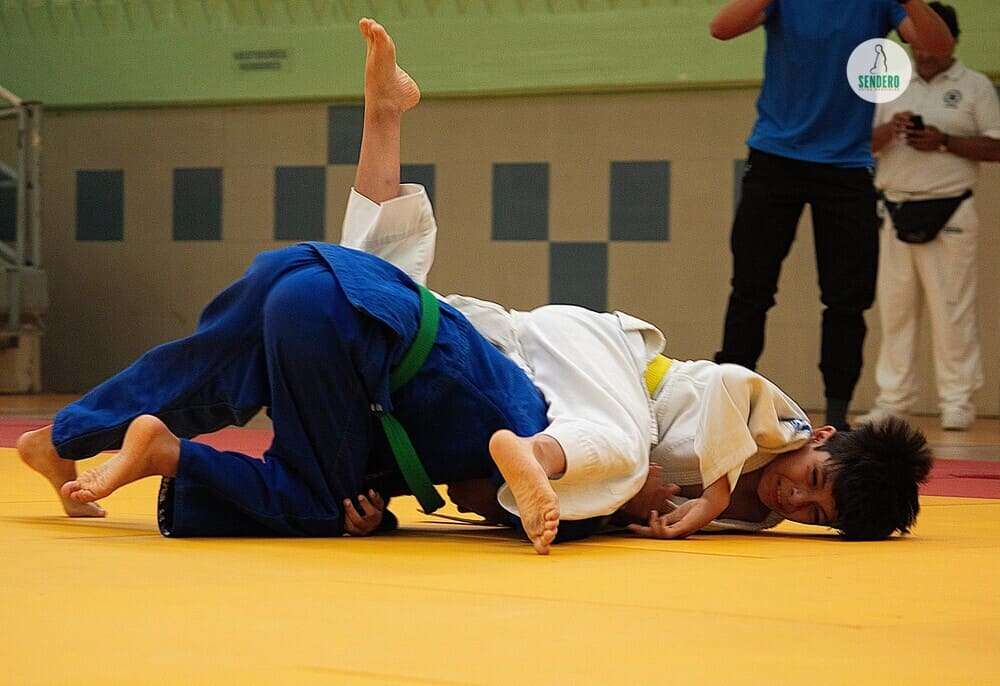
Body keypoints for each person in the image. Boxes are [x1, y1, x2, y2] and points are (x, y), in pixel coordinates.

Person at [17, 20, 932, 555]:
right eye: (814, 481)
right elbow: (731, 391)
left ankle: (77, 436)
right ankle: (530, 461)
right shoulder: (769, 425)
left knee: (337, 296)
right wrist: (692, 498)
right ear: (827, 439)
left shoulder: (754, 519)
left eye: (814, 514)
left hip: (502, 367)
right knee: (613, 445)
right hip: (601, 369)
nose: (794, 500)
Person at [710, 0, 955, 431]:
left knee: (847, 301)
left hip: (846, 167)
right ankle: (728, 405)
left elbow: (938, 45)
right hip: (774, 158)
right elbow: (721, 29)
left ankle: (837, 420)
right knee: (751, 289)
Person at [859, 2, 1000, 431]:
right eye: (914, 46)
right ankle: (893, 400)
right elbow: (859, 143)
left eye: (931, 45)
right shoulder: (887, 84)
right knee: (896, 312)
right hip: (895, 206)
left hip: (950, 209)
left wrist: (943, 141)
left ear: (951, 39)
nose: (923, 53)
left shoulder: (975, 86)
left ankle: (957, 401)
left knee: (953, 310)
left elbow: (996, 146)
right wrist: (892, 130)